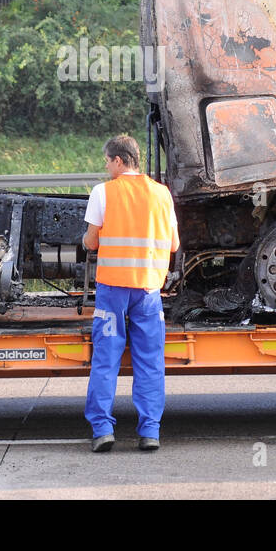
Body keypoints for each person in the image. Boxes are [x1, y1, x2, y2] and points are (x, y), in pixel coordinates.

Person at [82, 134, 179, 454]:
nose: (106, 166)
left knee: (106, 360)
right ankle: (150, 431)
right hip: (149, 291)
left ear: (119, 161)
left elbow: (92, 242)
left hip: (112, 290)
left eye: (107, 161)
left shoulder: (103, 192)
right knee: (150, 361)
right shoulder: (162, 194)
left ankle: (102, 430)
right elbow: (174, 245)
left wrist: (86, 240)